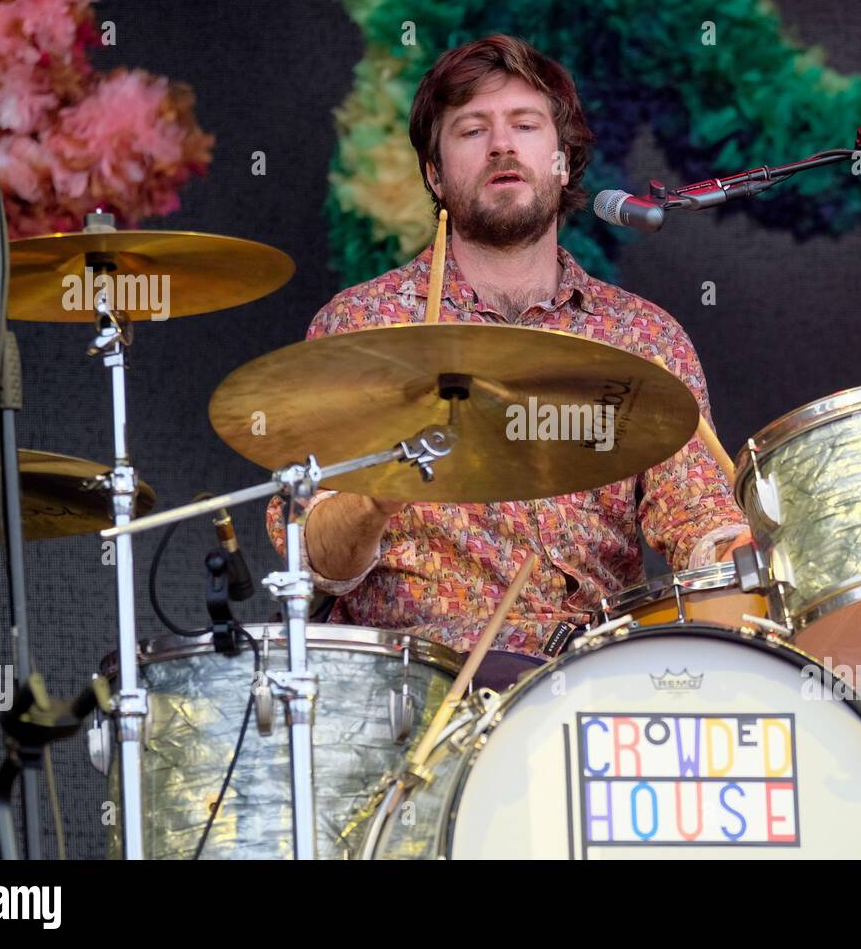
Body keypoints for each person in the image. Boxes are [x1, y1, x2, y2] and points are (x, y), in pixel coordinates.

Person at [267, 33, 749, 662]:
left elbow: (701, 523)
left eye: (525, 125)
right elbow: (317, 561)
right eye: (471, 130)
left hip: (596, 687)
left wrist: (749, 549)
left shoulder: (643, 340)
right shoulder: (365, 330)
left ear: (565, 161)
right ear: (435, 174)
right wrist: (376, 494)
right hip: (429, 693)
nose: (502, 144)